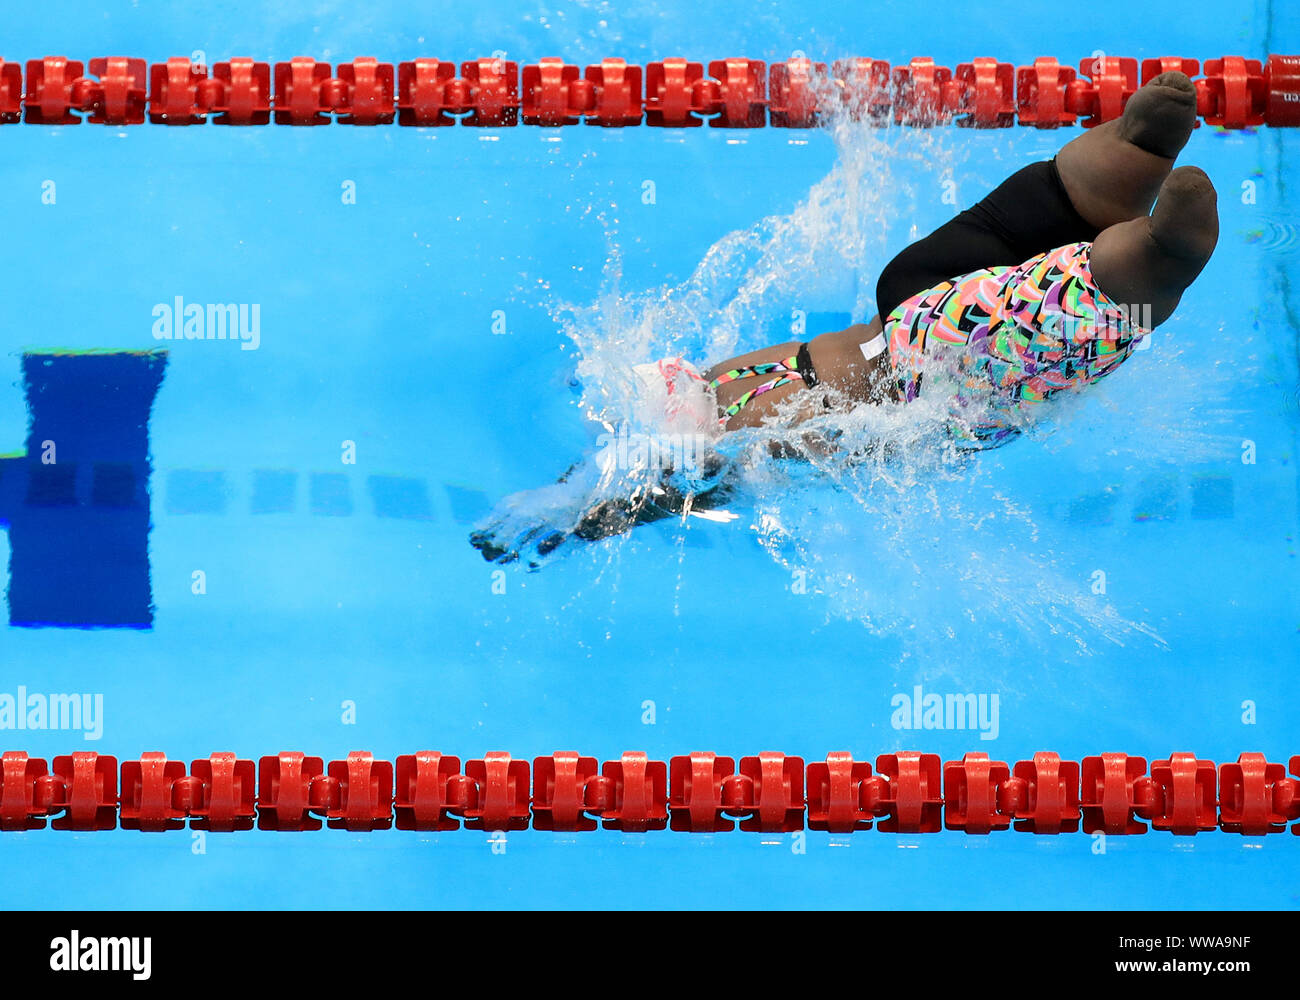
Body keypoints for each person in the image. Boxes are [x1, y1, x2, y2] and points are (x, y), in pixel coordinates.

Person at [472, 71, 1218, 563]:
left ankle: (1165, 252)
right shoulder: (714, 401)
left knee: (1069, 302)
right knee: (1042, 212)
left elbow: (644, 494)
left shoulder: (714, 455)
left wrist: (569, 514)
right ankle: (1134, 150)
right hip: (906, 303)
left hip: (934, 368)